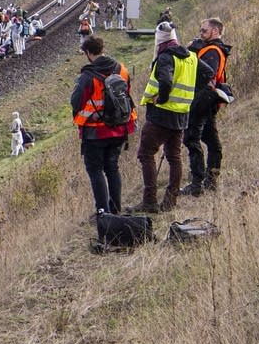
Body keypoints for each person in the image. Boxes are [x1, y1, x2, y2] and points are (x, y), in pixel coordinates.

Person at [134, 22, 197, 213]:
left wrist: (161, 99)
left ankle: (150, 201)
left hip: (161, 115)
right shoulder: (191, 58)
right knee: (174, 157)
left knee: (146, 154)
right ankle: (170, 201)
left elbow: (166, 80)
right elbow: (207, 74)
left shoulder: (165, 57)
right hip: (181, 116)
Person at [71, 35, 135, 215]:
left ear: (88, 53)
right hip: (119, 128)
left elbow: (76, 102)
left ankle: (102, 212)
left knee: (96, 170)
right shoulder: (121, 69)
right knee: (112, 168)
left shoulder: (87, 75)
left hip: (95, 132)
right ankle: (115, 210)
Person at [181, 18, 230, 196]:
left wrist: (192, 51)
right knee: (211, 140)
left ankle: (197, 184)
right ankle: (211, 180)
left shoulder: (212, 51)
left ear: (215, 31)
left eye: (204, 31)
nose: (200, 34)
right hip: (209, 99)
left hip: (202, 99)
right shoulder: (213, 48)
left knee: (191, 139)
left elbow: (206, 74)